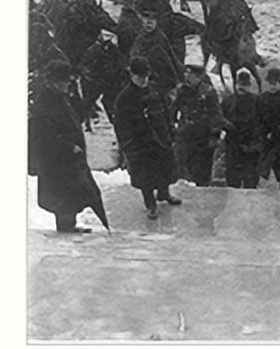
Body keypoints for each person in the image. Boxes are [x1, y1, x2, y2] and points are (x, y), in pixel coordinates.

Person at [33, 59, 108, 233]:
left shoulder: (60, 97)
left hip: (68, 161)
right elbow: (43, 139)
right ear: (53, 82)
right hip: (57, 162)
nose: (68, 84)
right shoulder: (44, 105)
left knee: (71, 195)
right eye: (64, 81)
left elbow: (74, 117)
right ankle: (65, 231)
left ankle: (69, 226)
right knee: (62, 197)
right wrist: (68, 147)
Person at [113, 56, 180, 220]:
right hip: (140, 142)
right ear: (132, 75)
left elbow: (165, 110)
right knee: (146, 176)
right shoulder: (124, 98)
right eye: (140, 77)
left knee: (165, 168)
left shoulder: (154, 89)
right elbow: (121, 125)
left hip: (160, 136)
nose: (143, 80)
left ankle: (164, 194)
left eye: (146, 76)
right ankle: (150, 205)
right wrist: (128, 147)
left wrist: (170, 130)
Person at [173, 64, 223, 187]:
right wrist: (172, 128)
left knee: (202, 174)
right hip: (185, 136)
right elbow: (172, 110)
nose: (186, 76)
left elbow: (216, 115)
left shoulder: (208, 92)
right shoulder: (181, 90)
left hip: (203, 139)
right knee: (182, 172)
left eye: (190, 74)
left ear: (199, 76)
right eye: (186, 73)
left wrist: (214, 136)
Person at [129, 0, 183, 103]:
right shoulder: (139, 40)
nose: (149, 22)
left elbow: (170, 60)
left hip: (164, 83)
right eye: (146, 17)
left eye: (153, 19)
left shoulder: (160, 38)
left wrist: (177, 82)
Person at [221, 69, 263, 189]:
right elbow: (219, 119)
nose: (241, 87)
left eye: (244, 85)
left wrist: (257, 142)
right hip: (233, 146)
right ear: (235, 84)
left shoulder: (257, 101)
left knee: (251, 182)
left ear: (249, 86)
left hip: (251, 146)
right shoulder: (228, 101)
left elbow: (262, 122)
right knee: (232, 182)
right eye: (239, 84)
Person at [257, 67, 280, 189]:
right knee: (265, 162)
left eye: (275, 83)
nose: (273, 86)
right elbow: (258, 117)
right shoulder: (262, 98)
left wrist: (279, 130)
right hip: (267, 137)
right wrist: (264, 132)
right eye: (270, 83)